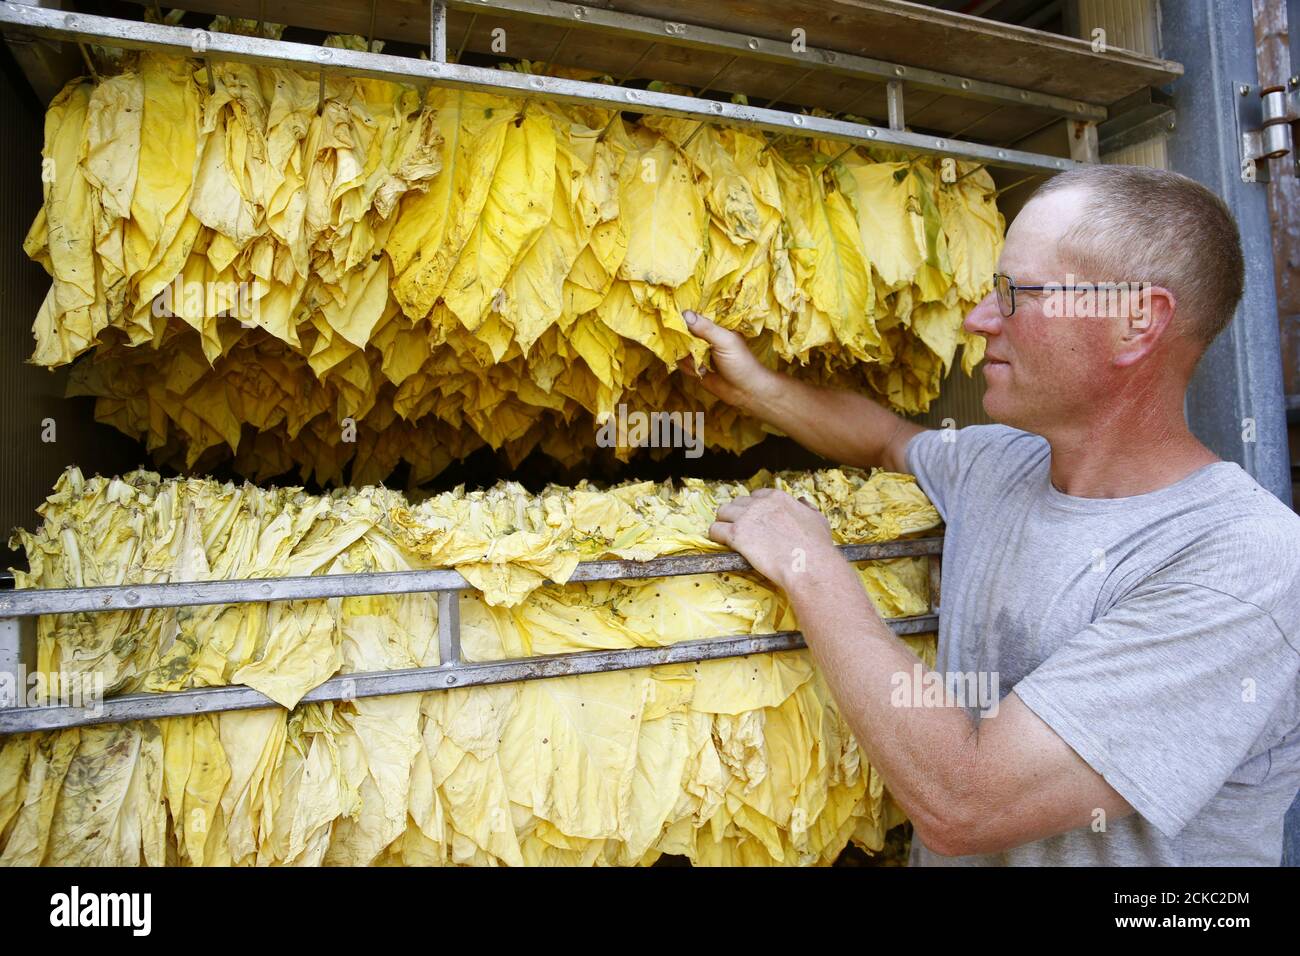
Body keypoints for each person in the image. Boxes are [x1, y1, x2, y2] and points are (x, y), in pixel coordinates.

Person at [681, 164, 1300, 866]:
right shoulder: (1000, 465)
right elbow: (885, 439)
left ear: (1135, 322)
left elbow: (967, 804)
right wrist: (760, 389)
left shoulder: (1243, 565)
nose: (978, 319)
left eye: (1013, 292)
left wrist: (809, 565)